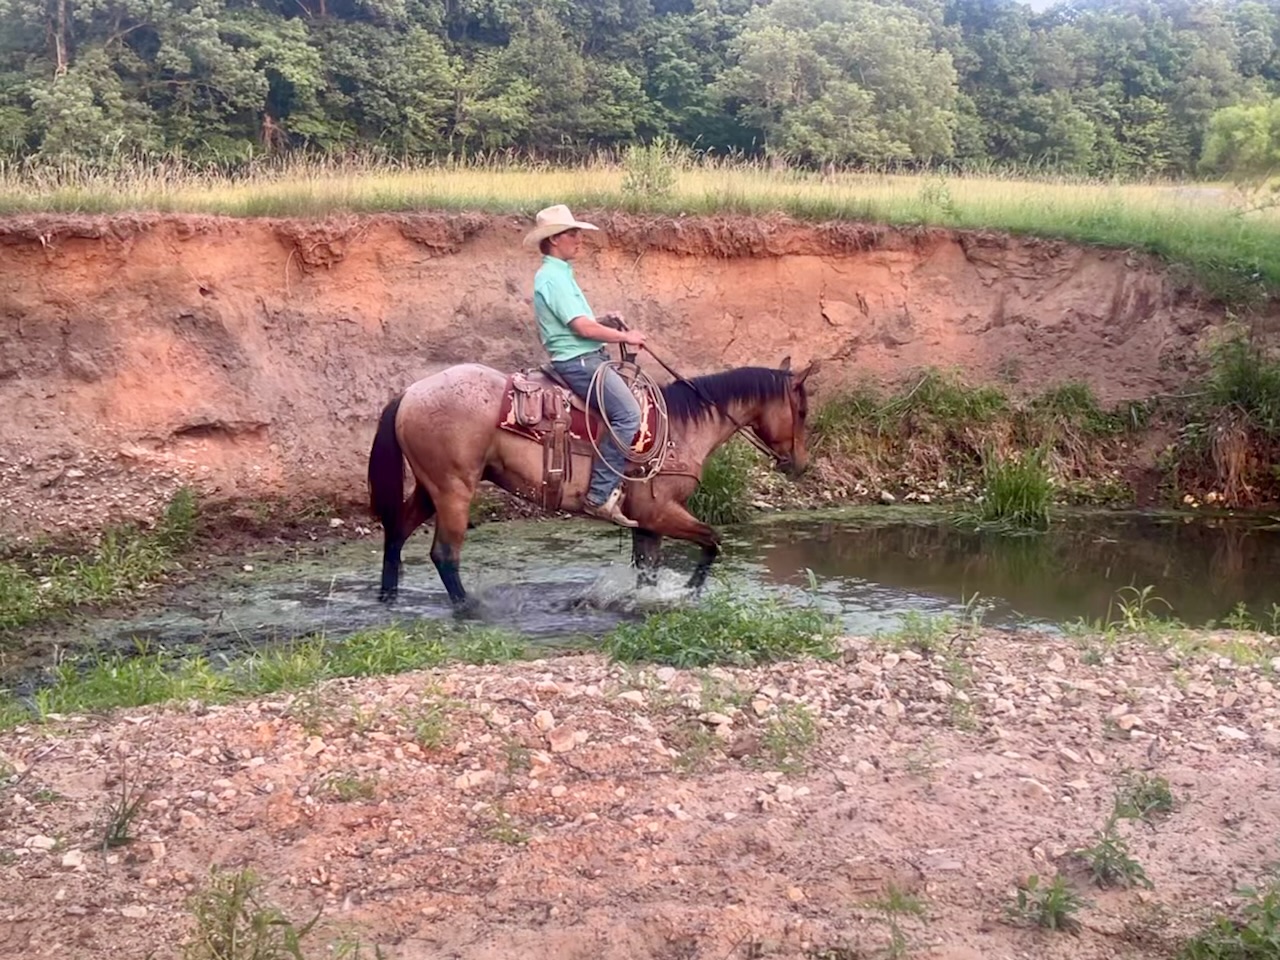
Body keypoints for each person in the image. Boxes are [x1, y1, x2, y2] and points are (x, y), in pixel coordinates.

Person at [523, 204, 647, 528]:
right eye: (572, 233)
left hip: (585, 356)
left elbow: (582, 323)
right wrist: (624, 334)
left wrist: (604, 320)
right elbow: (583, 329)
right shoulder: (552, 277)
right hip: (578, 362)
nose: (579, 239)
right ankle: (599, 496)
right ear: (554, 240)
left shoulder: (560, 273)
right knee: (629, 414)